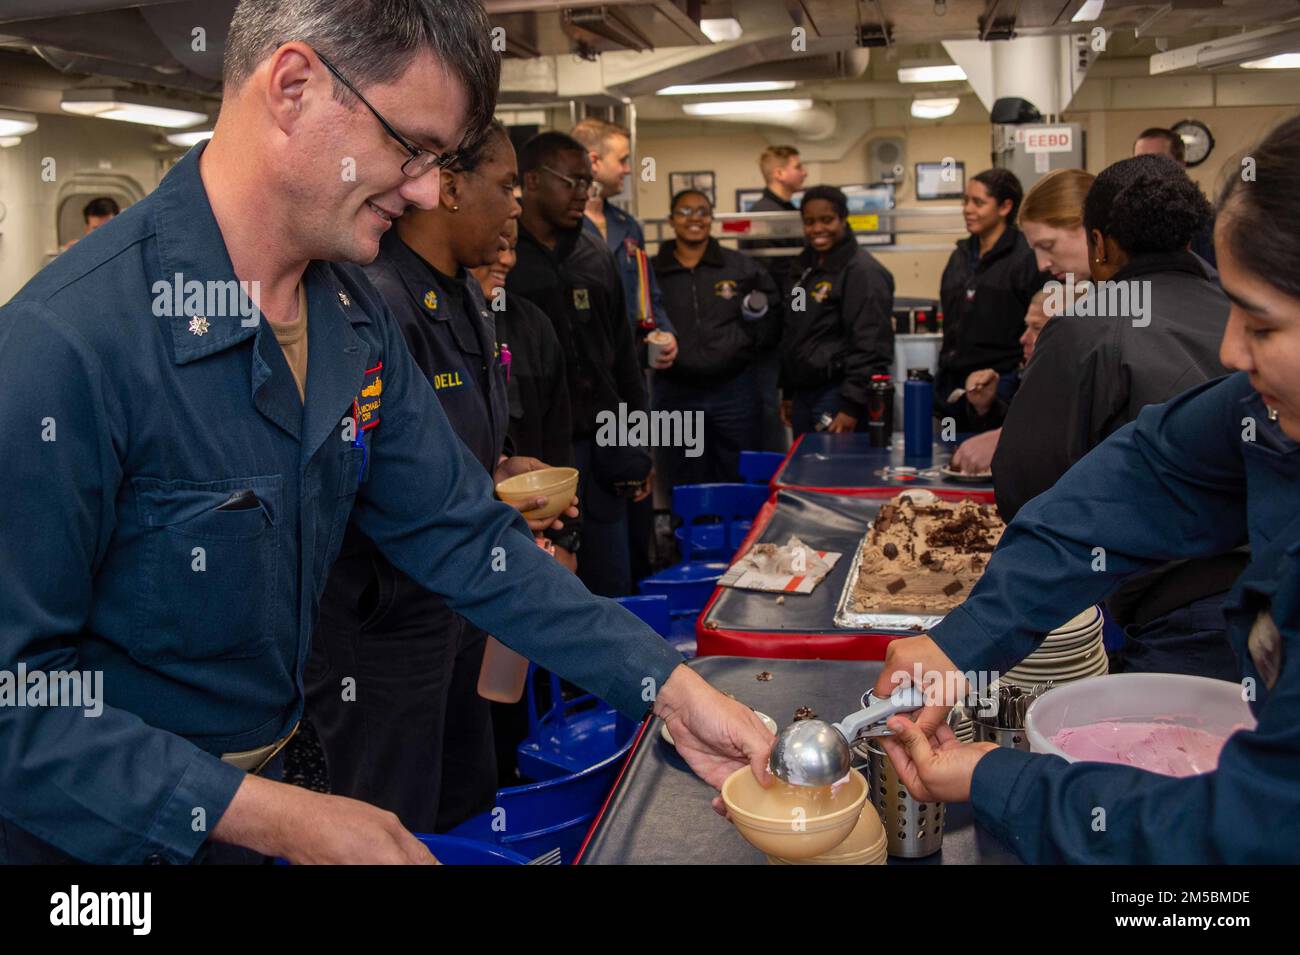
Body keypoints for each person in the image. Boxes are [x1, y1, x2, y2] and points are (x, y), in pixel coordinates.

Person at [0, 0, 772, 865]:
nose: (422, 189)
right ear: (294, 87)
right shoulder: (64, 345)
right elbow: (15, 707)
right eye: (410, 147)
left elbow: (465, 536)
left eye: (439, 161)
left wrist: (668, 687)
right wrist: (273, 815)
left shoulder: (348, 315)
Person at [871, 115, 1300, 864]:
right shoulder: (1262, 413)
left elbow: (1248, 830)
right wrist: (958, 644)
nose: (1230, 350)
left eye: (1261, 326)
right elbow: (1147, 473)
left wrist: (998, 777)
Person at [305, 122, 576, 834]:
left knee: (464, 800)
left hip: (455, 609)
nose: (517, 206)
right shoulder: (373, 302)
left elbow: (449, 445)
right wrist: (483, 499)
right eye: (507, 186)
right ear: (449, 188)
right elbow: (355, 479)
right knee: (392, 825)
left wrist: (502, 470)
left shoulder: (461, 296)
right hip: (382, 628)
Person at [993, 154, 1239, 680]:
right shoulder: (1242, 310)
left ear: (1100, 243)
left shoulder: (1087, 326)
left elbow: (1025, 489)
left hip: (1182, 616)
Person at [507, 131, 652, 598]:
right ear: (531, 181)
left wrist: (638, 446)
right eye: (572, 182)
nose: (584, 193)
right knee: (549, 592)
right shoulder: (502, 256)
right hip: (536, 457)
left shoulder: (594, 256)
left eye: (588, 183)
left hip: (601, 449)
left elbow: (625, 359)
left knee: (610, 584)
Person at [949, 168, 1094, 474]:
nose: (1042, 263)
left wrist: (1009, 438)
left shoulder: (1124, 302)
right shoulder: (961, 256)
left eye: (1048, 246)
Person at [651, 188, 780, 485]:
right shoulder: (654, 270)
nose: (694, 219)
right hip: (676, 391)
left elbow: (772, 309)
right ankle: (688, 530)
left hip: (734, 390)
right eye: (685, 212)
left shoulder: (740, 266)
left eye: (702, 212)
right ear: (671, 219)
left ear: (711, 219)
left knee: (738, 473)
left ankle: (738, 532)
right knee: (683, 474)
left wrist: (745, 344)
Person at [779, 184, 895, 436]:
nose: (817, 229)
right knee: (804, 470)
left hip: (839, 394)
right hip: (804, 393)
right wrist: (789, 390)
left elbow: (871, 344)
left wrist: (852, 405)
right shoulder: (803, 269)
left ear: (843, 219)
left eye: (827, 220)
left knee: (833, 473)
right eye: (809, 222)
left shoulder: (863, 273)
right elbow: (795, 329)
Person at [936, 168, 1048, 426]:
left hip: (1000, 387)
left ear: (1005, 206)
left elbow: (1041, 326)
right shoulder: (961, 255)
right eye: (965, 201)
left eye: (978, 202)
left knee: (988, 461)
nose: (967, 209)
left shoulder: (1025, 257)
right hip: (952, 385)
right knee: (950, 458)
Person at [743, 145, 807, 454]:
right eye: (798, 166)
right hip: (772, 330)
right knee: (769, 408)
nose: (803, 171)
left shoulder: (788, 213)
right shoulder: (765, 215)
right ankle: (772, 479)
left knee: (783, 404)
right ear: (779, 173)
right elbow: (769, 278)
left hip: (787, 325)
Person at [1133, 126, 1216, 267]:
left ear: (1180, 165)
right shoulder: (1124, 222)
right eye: (1139, 161)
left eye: (1157, 160)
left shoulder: (1209, 224)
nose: (1146, 168)